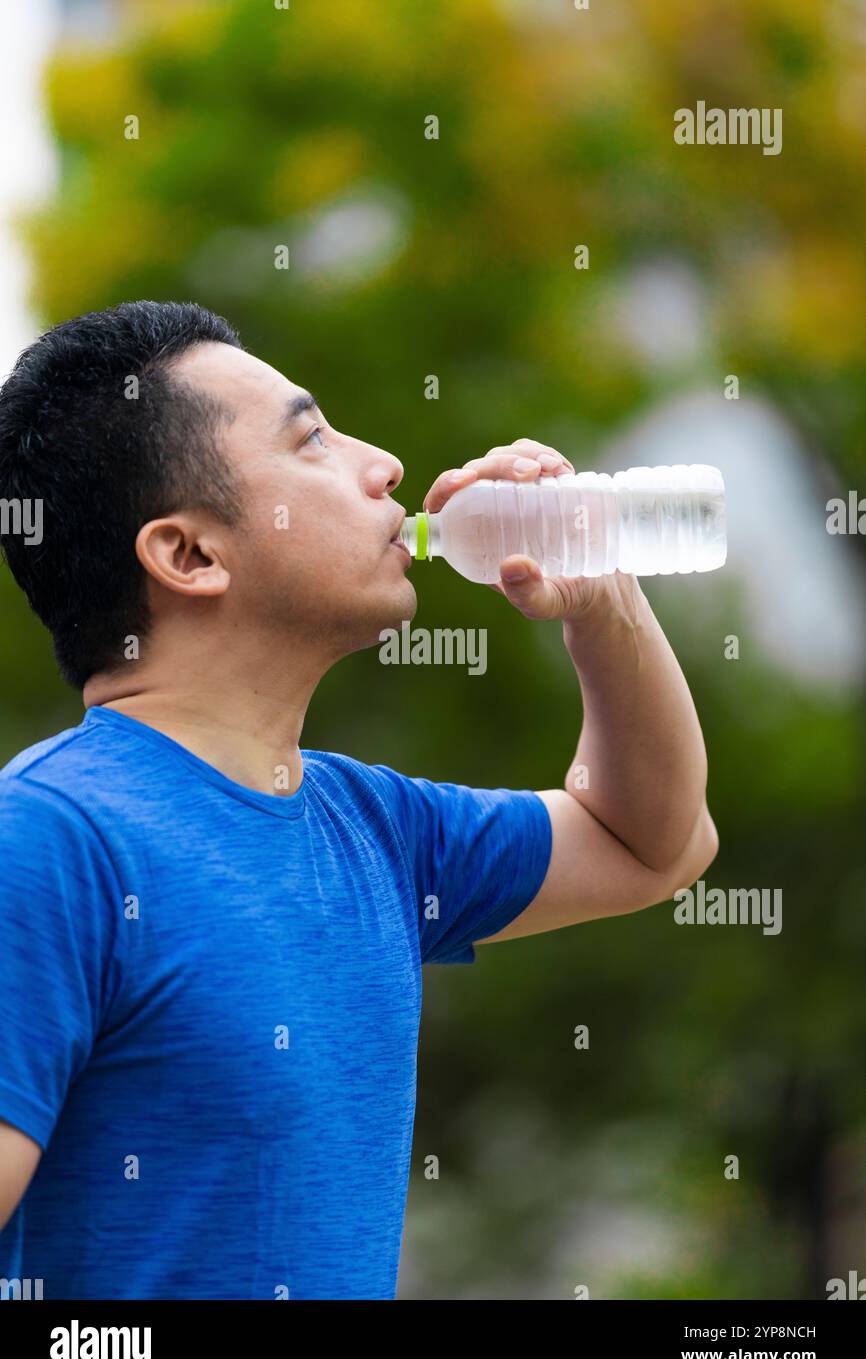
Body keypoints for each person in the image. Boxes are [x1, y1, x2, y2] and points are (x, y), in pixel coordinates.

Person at [0, 301, 717, 1299]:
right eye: (312, 441)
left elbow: (653, 841)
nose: (380, 464)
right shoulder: (49, 837)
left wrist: (601, 598)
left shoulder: (376, 828)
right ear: (191, 555)